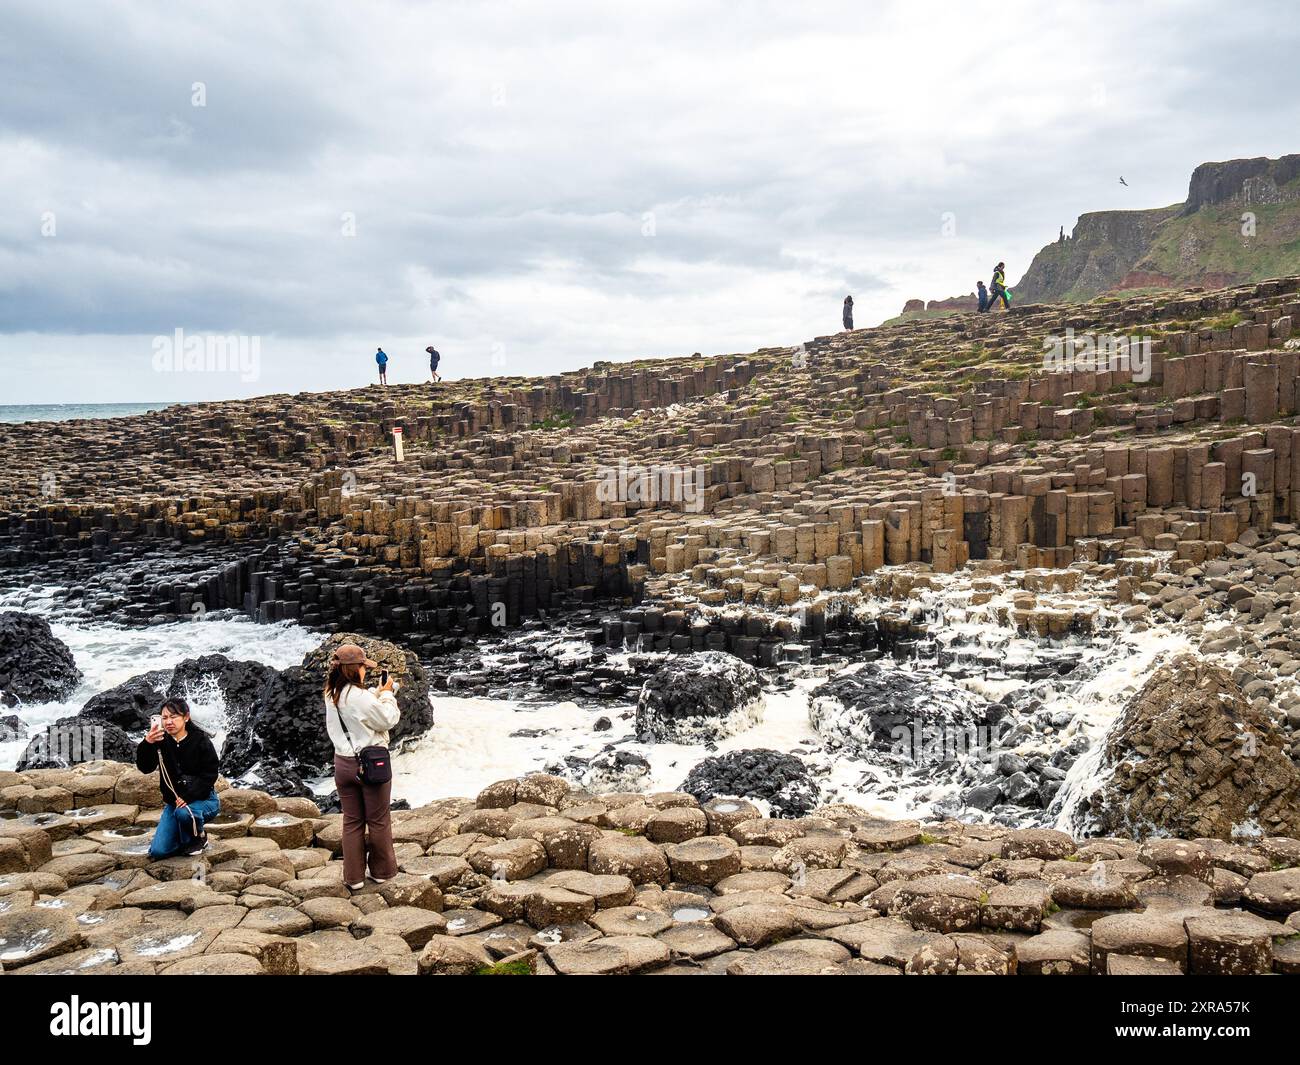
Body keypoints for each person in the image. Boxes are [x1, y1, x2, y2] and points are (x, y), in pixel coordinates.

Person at [324, 642, 401, 890]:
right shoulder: (359, 697)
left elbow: (360, 708)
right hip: (370, 764)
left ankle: (353, 878)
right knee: (378, 820)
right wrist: (388, 693)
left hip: (343, 764)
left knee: (352, 821)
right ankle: (382, 872)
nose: (365, 671)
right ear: (354, 669)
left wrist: (376, 694)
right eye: (363, 667)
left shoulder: (330, 693)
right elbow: (387, 719)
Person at [136, 698, 221, 858]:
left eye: (174, 717)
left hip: (203, 800)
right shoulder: (160, 740)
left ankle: (199, 836)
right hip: (174, 803)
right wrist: (147, 743)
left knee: (184, 814)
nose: (169, 722)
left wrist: (188, 796)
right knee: (158, 851)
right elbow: (145, 768)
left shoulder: (200, 740)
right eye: (165, 717)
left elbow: (210, 774)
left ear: (186, 717)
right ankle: (186, 835)